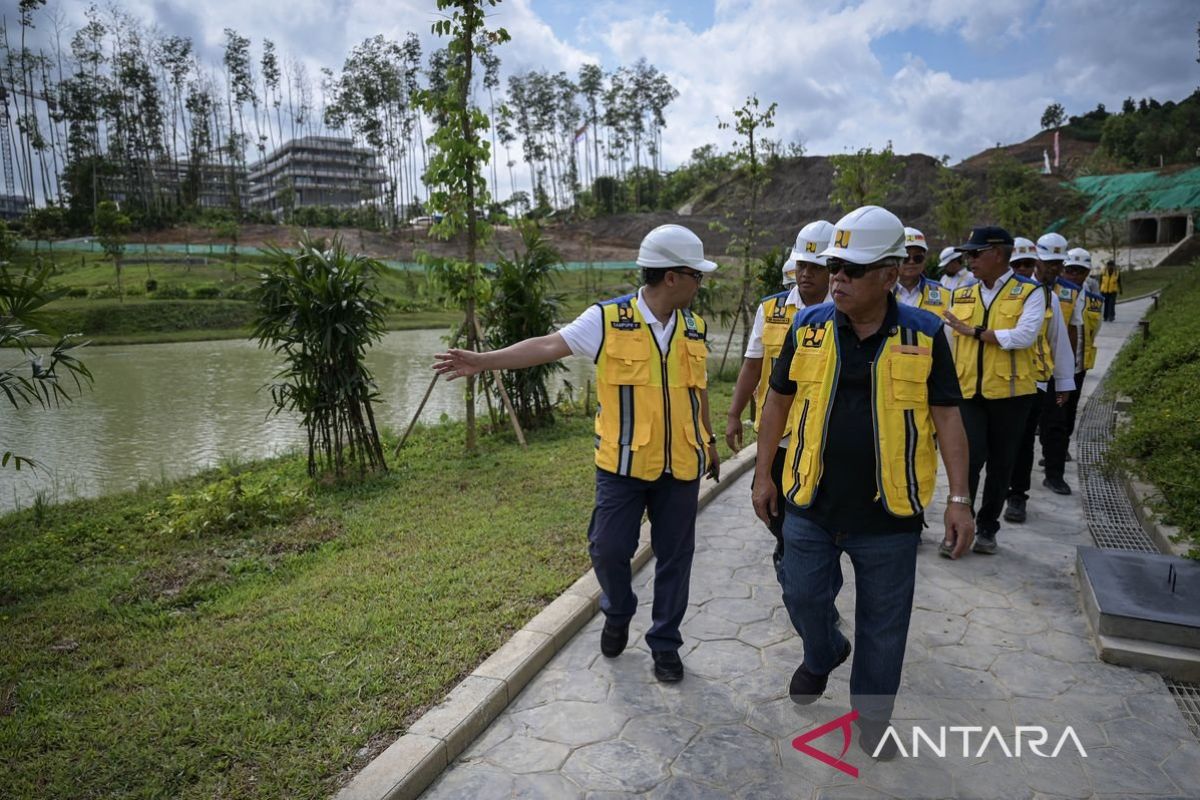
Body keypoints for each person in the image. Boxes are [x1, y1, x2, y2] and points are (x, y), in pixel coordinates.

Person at [433, 224, 720, 683]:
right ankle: (619, 608)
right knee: (608, 550)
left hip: (681, 465)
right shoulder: (608, 319)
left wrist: (709, 440)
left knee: (675, 557)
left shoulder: (694, 327)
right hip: (622, 464)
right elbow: (549, 345)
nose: (700, 284)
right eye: (697, 276)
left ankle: (665, 643)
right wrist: (484, 360)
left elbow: (697, 391)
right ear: (672, 276)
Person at [752, 205, 973, 760]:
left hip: (888, 515)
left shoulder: (925, 334)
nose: (838, 279)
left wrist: (960, 499)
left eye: (852, 269)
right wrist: (762, 474)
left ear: (890, 273)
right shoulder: (807, 328)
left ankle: (873, 719)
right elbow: (777, 401)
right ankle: (822, 650)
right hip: (809, 502)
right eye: (835, 268)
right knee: (802, 594)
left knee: (885, 626)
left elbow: (948, 416)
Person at [726, 220, 833, 571]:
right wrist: (733, 413)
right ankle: (789, 551)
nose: (806, 274)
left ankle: (803, 566)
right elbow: (752, 366)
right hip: (779, 433)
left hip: (823, 435)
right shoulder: (770, 310)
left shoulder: (846, 314)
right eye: (802, 265)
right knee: (772, 507)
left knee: (818, 517)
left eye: (817, 267)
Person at [942, 226, 1045, 555]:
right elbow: (948, 340)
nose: (968, 259)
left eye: (974, 253)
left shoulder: (1029, 292)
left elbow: (1023, 336)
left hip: (1012, 395)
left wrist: (975, 331)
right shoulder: (962, 294)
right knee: (968, 462)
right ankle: (962, 525)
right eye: (967, 254)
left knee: (1002, 464)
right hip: (969, 392)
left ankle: (988, 528)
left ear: (998, 254)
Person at [1003, 238, 1074, 525]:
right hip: (996, 381)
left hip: (1034, 382)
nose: (1023, 269)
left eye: (1027, 264)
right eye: (1017, 265)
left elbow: (1058, 340)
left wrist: (1065, 382)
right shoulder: (991, 295)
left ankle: (1017, 496)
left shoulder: (1048, 298)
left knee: (1022, 443)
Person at [1062, 248, 1098, 454]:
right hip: (1055, 366)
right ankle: (1053, 452)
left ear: (1087, 272)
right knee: (1055, 411)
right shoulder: (1056, 294)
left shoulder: (1093, 299)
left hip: (1078, 364)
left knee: (1070, 409)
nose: (1074, 275)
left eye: (1080, 271)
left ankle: (1063, 446)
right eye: (1070, 270)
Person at [894, 227, 950, 313]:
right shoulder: (881, 293)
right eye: (905, 257)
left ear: (924, 260)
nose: (911, 262)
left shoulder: (945, 294)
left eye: (918, 258)